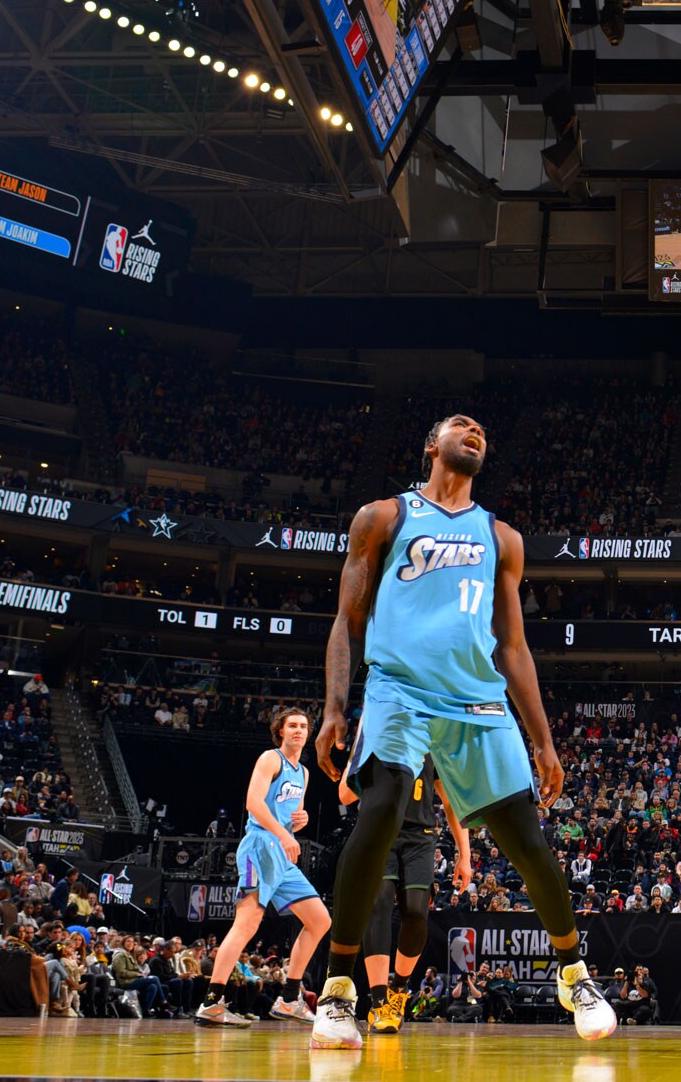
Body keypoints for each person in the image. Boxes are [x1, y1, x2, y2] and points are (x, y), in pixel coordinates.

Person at [310, 414, 616, 1047]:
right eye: (459, 424)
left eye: (480, 428)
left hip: (477, 699)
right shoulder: (383, 517)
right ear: (432, 446)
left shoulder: (502, 537)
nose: (473, 429)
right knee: (383, 807)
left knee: (527, 839)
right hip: (399, 689)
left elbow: (514, 645)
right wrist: (336, 705)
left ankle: (575, 978)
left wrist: (544, 738)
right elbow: (348, 618)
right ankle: (339, 990)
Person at [194, 708, 331, 1028]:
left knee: (319, 920)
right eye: (292, 726)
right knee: (246, 925)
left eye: (304, 726)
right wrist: (285, 833)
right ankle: (212, 1003)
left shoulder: (304, 773)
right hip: (260, 846)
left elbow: (291, 818)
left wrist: (301, 820)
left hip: (282, 853)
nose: (299, 730)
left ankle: (289, 998)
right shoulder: (271, 759)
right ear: (280, 731)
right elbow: (254, 804)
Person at [346, 758, 472, 1034]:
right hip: (379, 833)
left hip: (420, 837)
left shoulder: (431, 745)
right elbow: (344, 794)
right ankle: (378, 1001)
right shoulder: (379, 739)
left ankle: (398, 989)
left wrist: (465, 854)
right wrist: (360, 753)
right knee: (378, 905)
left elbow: (451, 804)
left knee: (416, 914)